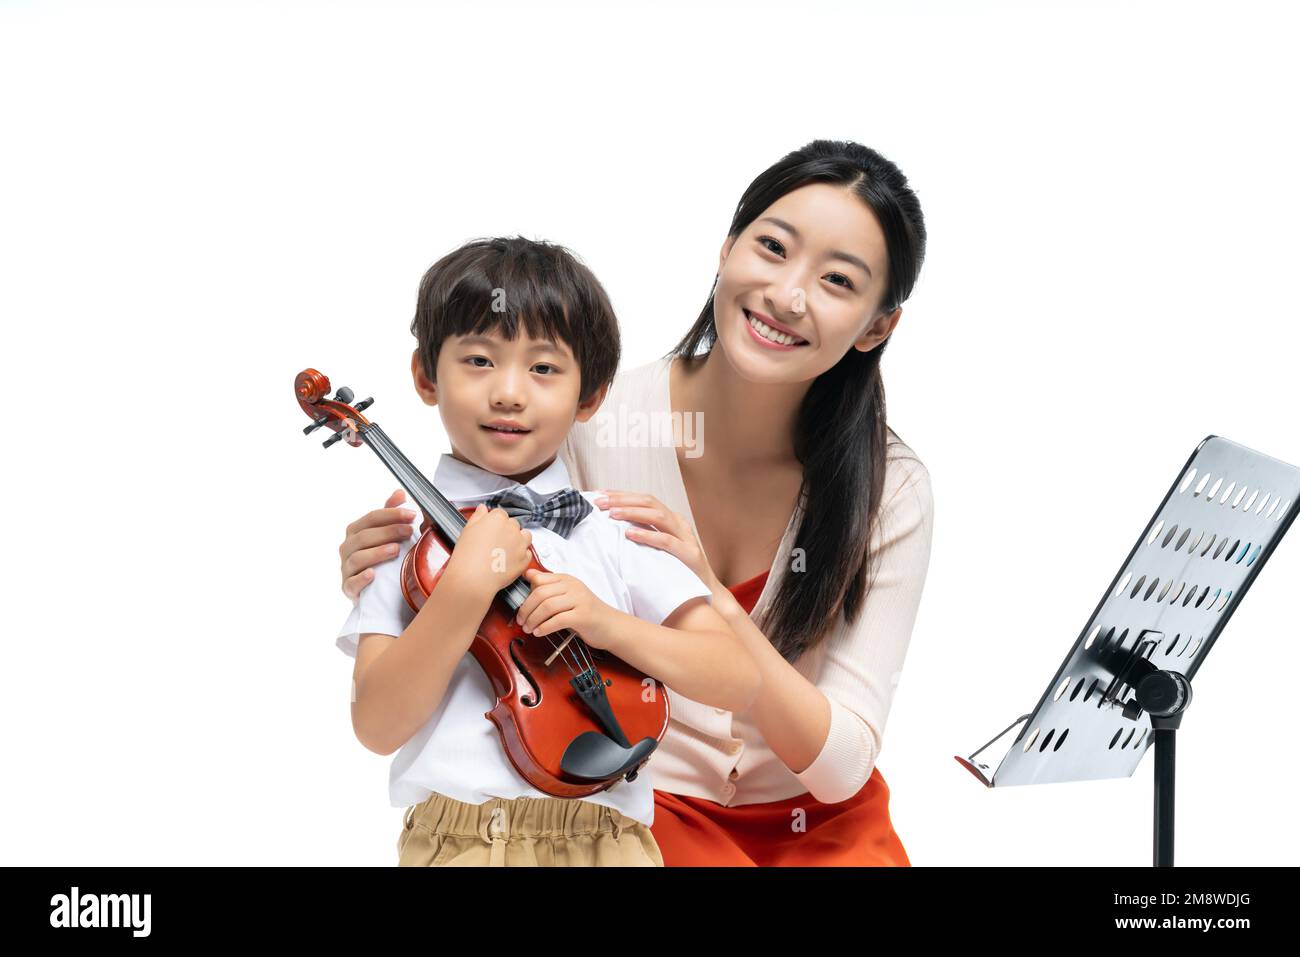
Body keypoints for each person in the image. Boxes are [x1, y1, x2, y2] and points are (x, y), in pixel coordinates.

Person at [340, 140, 934, 865]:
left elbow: (841, 764)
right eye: (773, 248)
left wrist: (709, 594)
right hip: (639, 802)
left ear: (879, 325)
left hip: (827, 824)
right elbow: (482, 513)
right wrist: (405, 562)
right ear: (726, 248)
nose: (789, 294)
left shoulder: (892, 486)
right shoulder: (589, 414)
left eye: (839, 280)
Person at [337, 236, 761, 866]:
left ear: (590, 396)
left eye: (543, 368)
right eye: (478, 360)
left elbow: (735, 677)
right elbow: (377, 726)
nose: (509, 393)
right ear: (426, 375)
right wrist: (461, 591)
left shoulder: (616, 527)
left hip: (606, 844)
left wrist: (605, 622)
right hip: (459, 844)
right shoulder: (401, 540)